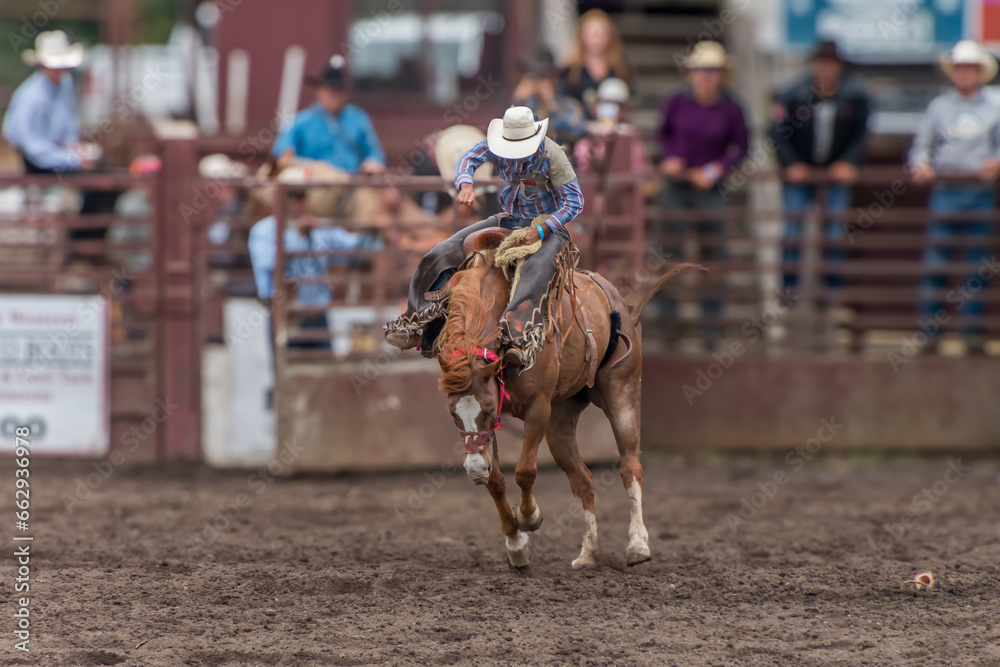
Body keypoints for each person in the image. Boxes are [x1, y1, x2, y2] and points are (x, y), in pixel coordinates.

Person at [384, 106, 584, 371]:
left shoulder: (553, 155)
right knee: (444, 250)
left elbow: (574, 201)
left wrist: (540, 230)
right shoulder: (496, 144)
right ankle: (415, 319)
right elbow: (469, 158)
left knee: (536, 268)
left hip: (547, 225)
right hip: (509, 217)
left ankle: (518, 337)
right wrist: (466, 182)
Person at [910, 40, 1000, 352]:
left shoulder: (995, 107)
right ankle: (929, 335)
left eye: (969, 68)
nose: (964, 73)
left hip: (980, 193)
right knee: (937, 265)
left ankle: (971, 336)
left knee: (975, 271)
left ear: (978, 72)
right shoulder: (938, 107)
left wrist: (997, 161)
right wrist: (921, 165)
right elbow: (922, 145)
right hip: (946, 191)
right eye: (960, 67)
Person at [657, 41, 748, 339]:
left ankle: (712, 326)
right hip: (677, 184)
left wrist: (716, 168)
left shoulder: (732, 108)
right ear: (691, 73)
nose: (705, 76)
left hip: (709, 186)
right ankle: (668, 322)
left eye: (712, 70)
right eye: (700, 69)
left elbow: (742, 147)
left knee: (713, 254)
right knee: (670, 250)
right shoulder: (677, 101)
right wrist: (670, 158)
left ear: (722, 74)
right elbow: (664, 134)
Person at [770, 41, 870, 290]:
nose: (825, 69)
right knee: (793, 232)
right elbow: (776, 133)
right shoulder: (792, 94)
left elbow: (862, 133)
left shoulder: (856, 95)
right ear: (813, 65)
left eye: (831, 64)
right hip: (801, 174)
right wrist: (791, 164)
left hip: (835, 173)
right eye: (821, 63)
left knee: (835, 233)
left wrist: (848, 161)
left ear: (839, 66)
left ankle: (831, 291)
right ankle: (788, 290)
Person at [248, 173, 373, 353]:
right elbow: (266, 261)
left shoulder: (318, 228)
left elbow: (355, 246)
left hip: (317, 315)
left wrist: (375, 232)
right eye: (291, 196)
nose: (297, 202)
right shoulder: (264, 230)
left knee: (322, 371)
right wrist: (299, 237)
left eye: (301, 196)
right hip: (284, 314)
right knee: (287, 373)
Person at [2, 30, 107, 231]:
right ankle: (82, 241)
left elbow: (68, 120)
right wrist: (73, 159)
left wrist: (73, 147)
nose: (61, 70)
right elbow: (34, 147)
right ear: (43, 65)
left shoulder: (63, 85)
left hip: (57, 150)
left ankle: (85, 240)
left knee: (103, 172)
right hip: (38, 159)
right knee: (96, 183)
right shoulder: (31, 98)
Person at [271, 55, 386, 175]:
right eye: (330, 90)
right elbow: (281, 155)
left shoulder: (358, 119)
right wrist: (293, 159)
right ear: (319, 90)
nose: (334, 95)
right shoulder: (300, 122)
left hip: (353, 183)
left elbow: (374, 152)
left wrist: (373, 161)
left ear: (346, 93)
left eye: (338, 90)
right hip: (314, 185)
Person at [559, 9, 630, 119]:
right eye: (592, 34)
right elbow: (562, 100)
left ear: (609, 36)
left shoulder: (620, 67)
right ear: (582, 36)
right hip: (580, 128)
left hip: (613, 126)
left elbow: (631, 97)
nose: (597, 40)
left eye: (601, 34)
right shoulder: (572, 69)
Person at [512, 51, 588, 150]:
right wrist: (516, 102)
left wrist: (553, 106)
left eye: (545, 76)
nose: (539, 81)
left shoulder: (570, 105)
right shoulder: (525, 104)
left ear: (555, 78)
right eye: (536, 76)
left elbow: (579, 130)